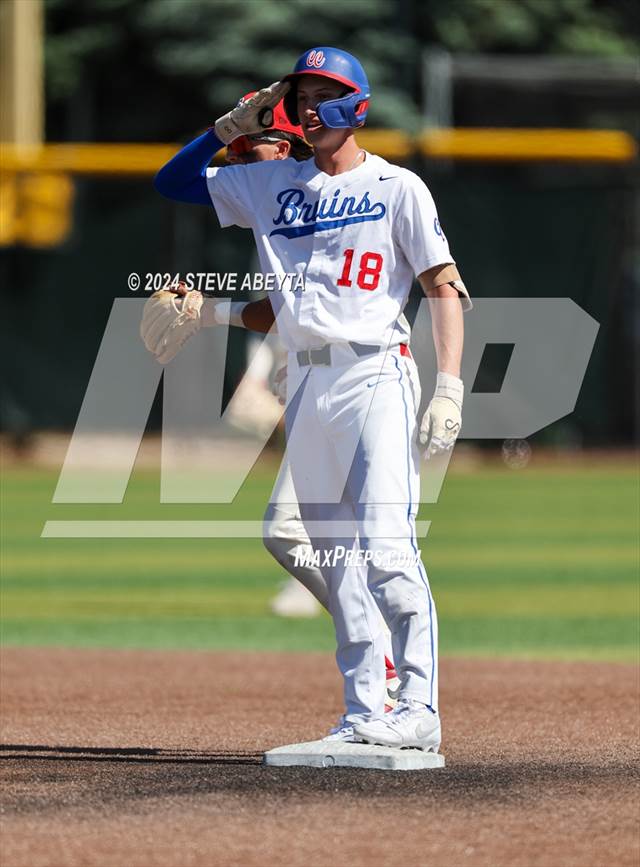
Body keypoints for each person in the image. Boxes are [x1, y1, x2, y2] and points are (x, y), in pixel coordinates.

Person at [154, 47, 471, 752]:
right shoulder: (270, 185)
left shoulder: (398, 187)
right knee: (331, 552)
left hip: (375, 373)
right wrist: (224, 128)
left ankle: (417, 707)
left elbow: (443, 286)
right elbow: (170, 182)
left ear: (354, 105)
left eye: (321, 92)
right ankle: (364, 709)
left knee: (387, 548)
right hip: (308, 381)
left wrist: (448, 384)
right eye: (299, 92)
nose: (305, 103)